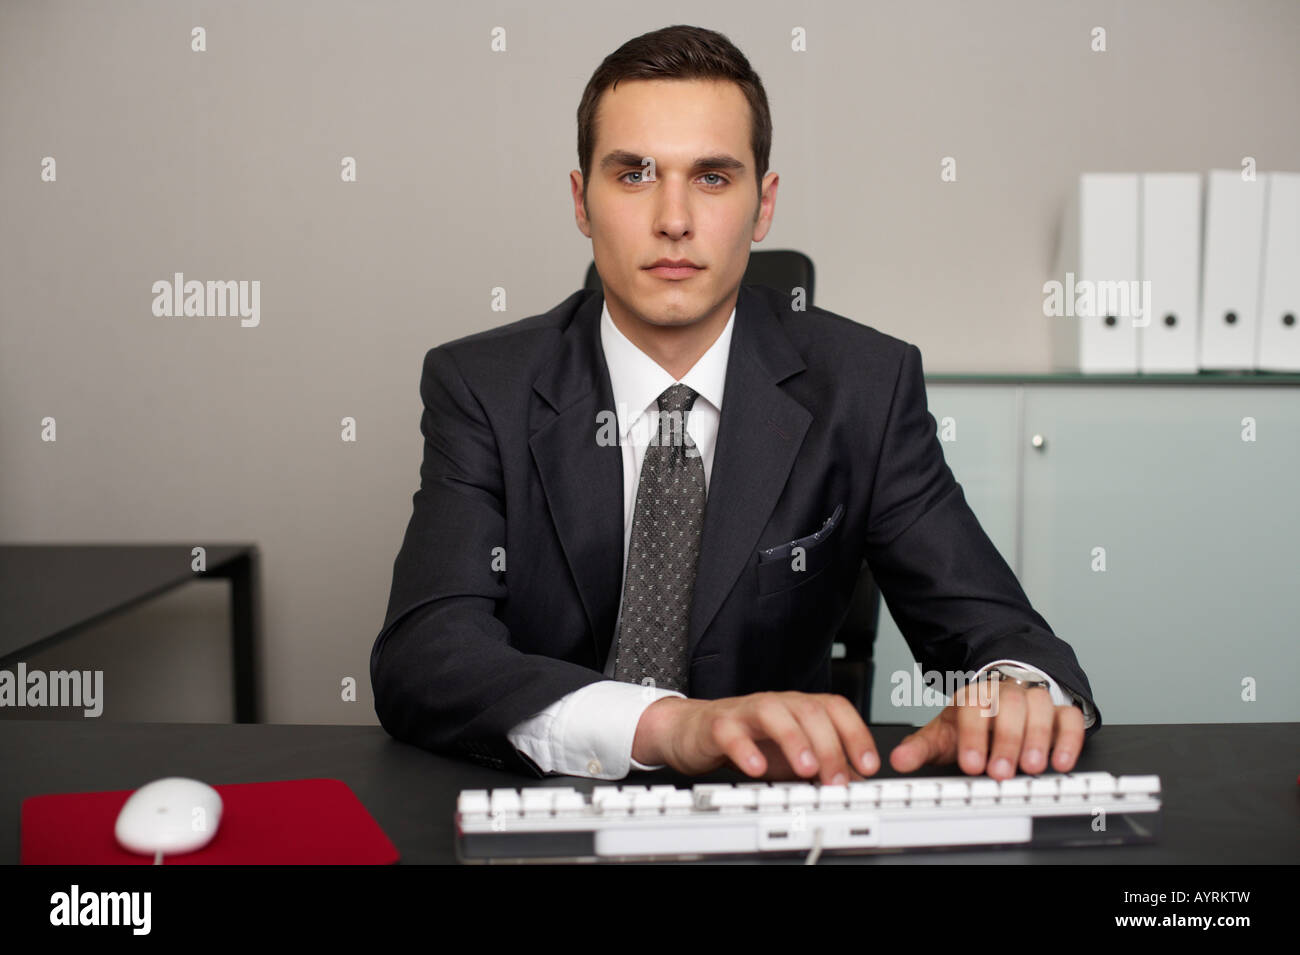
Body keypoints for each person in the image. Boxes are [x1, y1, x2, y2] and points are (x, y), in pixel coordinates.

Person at [371, 24, 1099, 785]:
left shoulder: (865, 387)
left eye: (713, 178)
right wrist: (665, 725)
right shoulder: (481, 386)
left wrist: (1019, 694)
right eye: (634, 176)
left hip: (777, 814)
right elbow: (427, 653)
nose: (675, 219)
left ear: (763, 205)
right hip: (542, 805)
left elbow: (997, 629)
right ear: (582, 201)